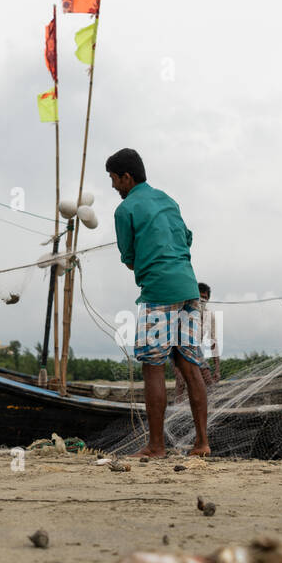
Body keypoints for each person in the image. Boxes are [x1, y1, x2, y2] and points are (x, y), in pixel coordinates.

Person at [108, 148, 210, 457]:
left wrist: (146, 258)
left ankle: (156, 446)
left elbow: (129, 259)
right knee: (189, 365)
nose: (113, 186)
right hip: (190, 288)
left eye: (113, 179)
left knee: (153, 367)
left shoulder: (125, 210)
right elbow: (186, 238)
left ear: (127, 177)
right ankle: (202, 443)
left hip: (159, 292)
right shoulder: (168, 200)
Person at [174, 282, 219, 403]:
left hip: (195, 348)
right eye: (200, 297)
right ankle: (177, 409)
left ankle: (210, 407)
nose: (202, 300)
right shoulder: (184, 309)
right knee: (181, 380)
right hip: (178, 345)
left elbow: (213, 342)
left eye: (205, 297)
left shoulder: (210, 316)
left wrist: (217, 369)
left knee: (208, 379)